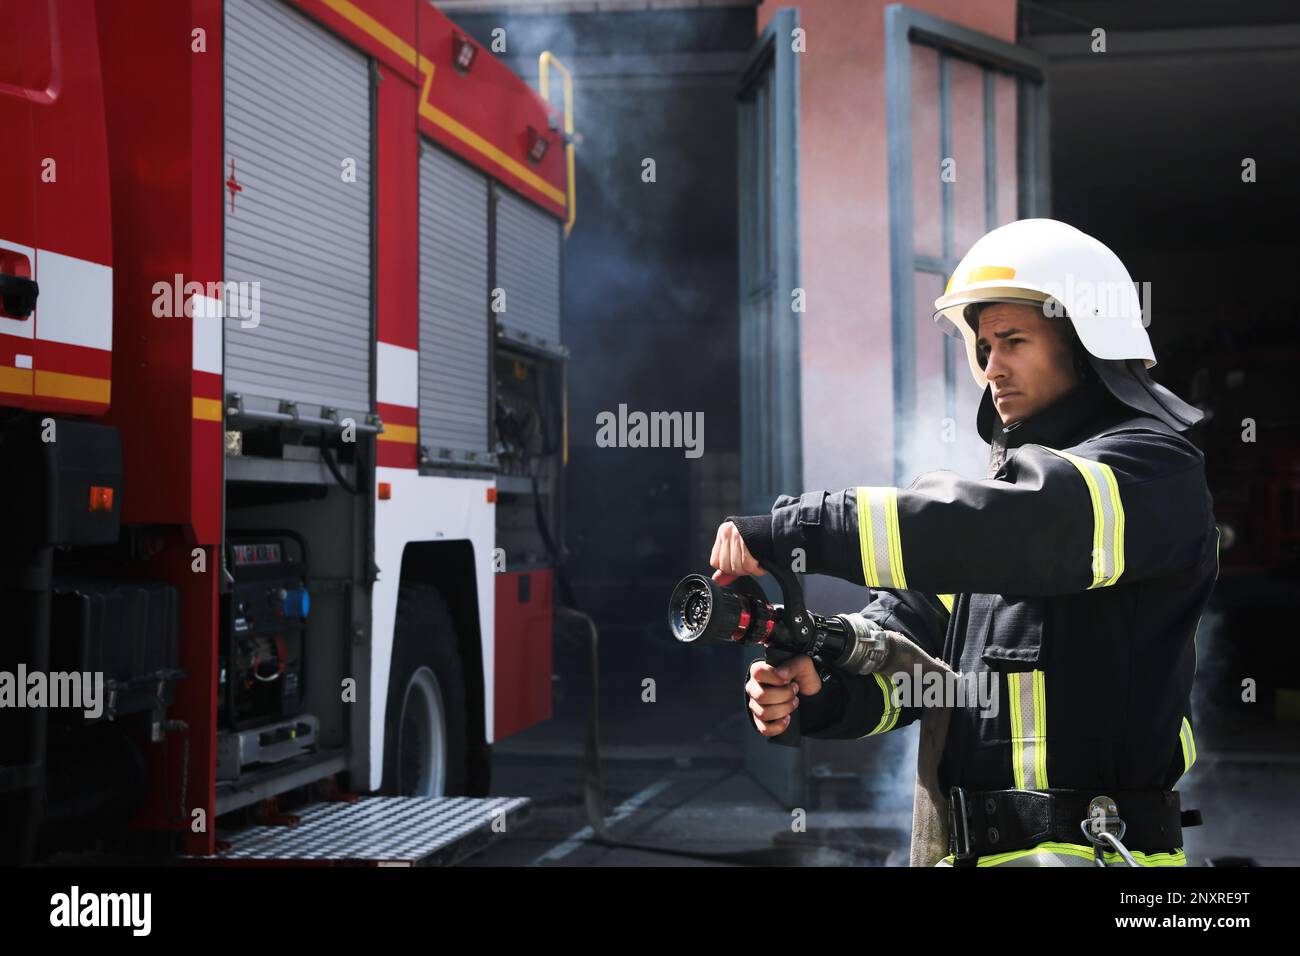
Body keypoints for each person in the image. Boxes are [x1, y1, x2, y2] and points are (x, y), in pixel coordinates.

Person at [713, 219, 1217, 866]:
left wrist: (799, 529)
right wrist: (824, 689)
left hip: (1097, 856)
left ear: (1087, 342)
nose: (990, 367)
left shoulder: (1153, 472)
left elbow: (1028, 526)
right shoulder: (992, 525)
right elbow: (915, 662)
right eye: (982, 346)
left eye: (1013, 340)